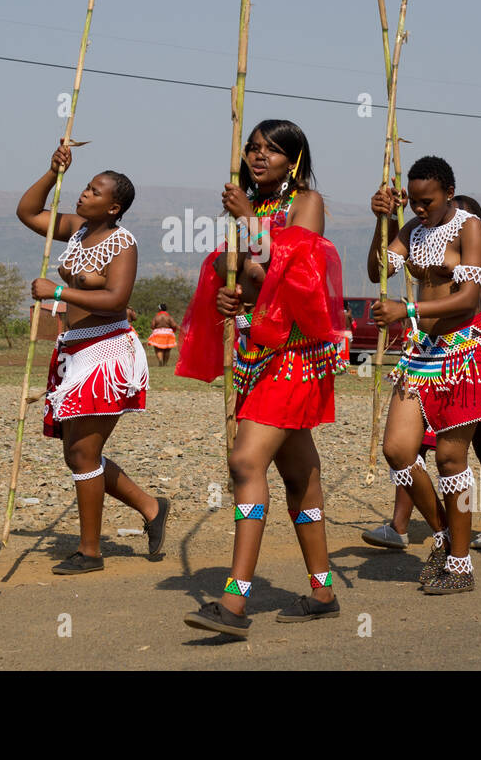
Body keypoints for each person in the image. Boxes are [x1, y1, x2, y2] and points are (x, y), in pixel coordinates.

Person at [178, 120, 345, 637]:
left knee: (245, 460)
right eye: (252, 148)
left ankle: (234, 600)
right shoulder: (244, 212)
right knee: (300, 476)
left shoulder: (306, 203)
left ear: (293, 160)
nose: (258, 157)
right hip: (257, 356)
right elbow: (251, 281)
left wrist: (249, 221)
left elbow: (299, 276)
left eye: (271, 150)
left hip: (295, 356)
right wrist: (230, 299)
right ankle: (322, 590)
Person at [366, 163, 481, 595]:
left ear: (450, 191)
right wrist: (383, 220)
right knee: (397, 450)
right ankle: (445, 533)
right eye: (413, 200)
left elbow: (469, 298)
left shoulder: (469, 229)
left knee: (452, 461)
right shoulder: (412, 228)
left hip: (463, 355)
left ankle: (460, 563)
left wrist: (407, 311)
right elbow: (379, 272)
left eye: (427, 200)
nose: (419, 207)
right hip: (421, 354)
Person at [16, 144, 168, 574]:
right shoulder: (77, 230)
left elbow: (116, 298)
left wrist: (58, 291)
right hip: (74, 348)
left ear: (114, 206)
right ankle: (151, 506)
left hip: (106, 349)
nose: (83, 194)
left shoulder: (122, 242)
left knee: (82, 454)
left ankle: (90, 551)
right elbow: (28, 212)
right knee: (79, 452)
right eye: (84, 187)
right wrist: (52, 172)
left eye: (94, 191)